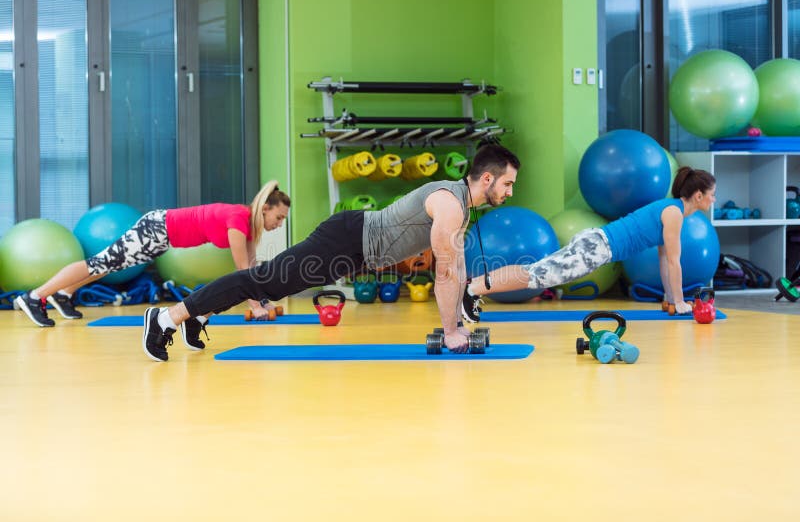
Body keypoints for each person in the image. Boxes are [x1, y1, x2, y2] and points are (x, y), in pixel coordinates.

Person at [141, 143, 521, 361]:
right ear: (486, 178)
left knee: (268, 287)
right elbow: (446, 272)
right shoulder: (451, 205)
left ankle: (198, 316)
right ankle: (165, 319)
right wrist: (452, 330)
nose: (509, 192)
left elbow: (456, 265)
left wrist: (461, 307)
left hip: (356, 250)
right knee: (262, 282)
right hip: (348, 239)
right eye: (507, 183)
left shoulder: (459, 205)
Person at [15, 181, 291, 338]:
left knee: (111, 265)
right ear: (264, 209)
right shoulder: (238, 219)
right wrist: (255, 306)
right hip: (157, 229)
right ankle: (35, 296)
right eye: (278, 217)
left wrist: (263, 302)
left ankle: (65, 294)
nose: (279, 224)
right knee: (98, 263)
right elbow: (242, 270)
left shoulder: (251, 229)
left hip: (163, 238)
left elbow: (252, 270)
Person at [461, 166, 717, 322]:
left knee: (536, 273)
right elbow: (674, 261)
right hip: (596, 248)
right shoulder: (673, 213)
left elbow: (664, 259)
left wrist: (671, 298)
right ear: (698, 195)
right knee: (535, 276)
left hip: (595, 244)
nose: (713, 200)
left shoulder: (671, 210)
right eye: (712, 195)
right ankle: (473, 289)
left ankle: (473, 288)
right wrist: (682, 303)